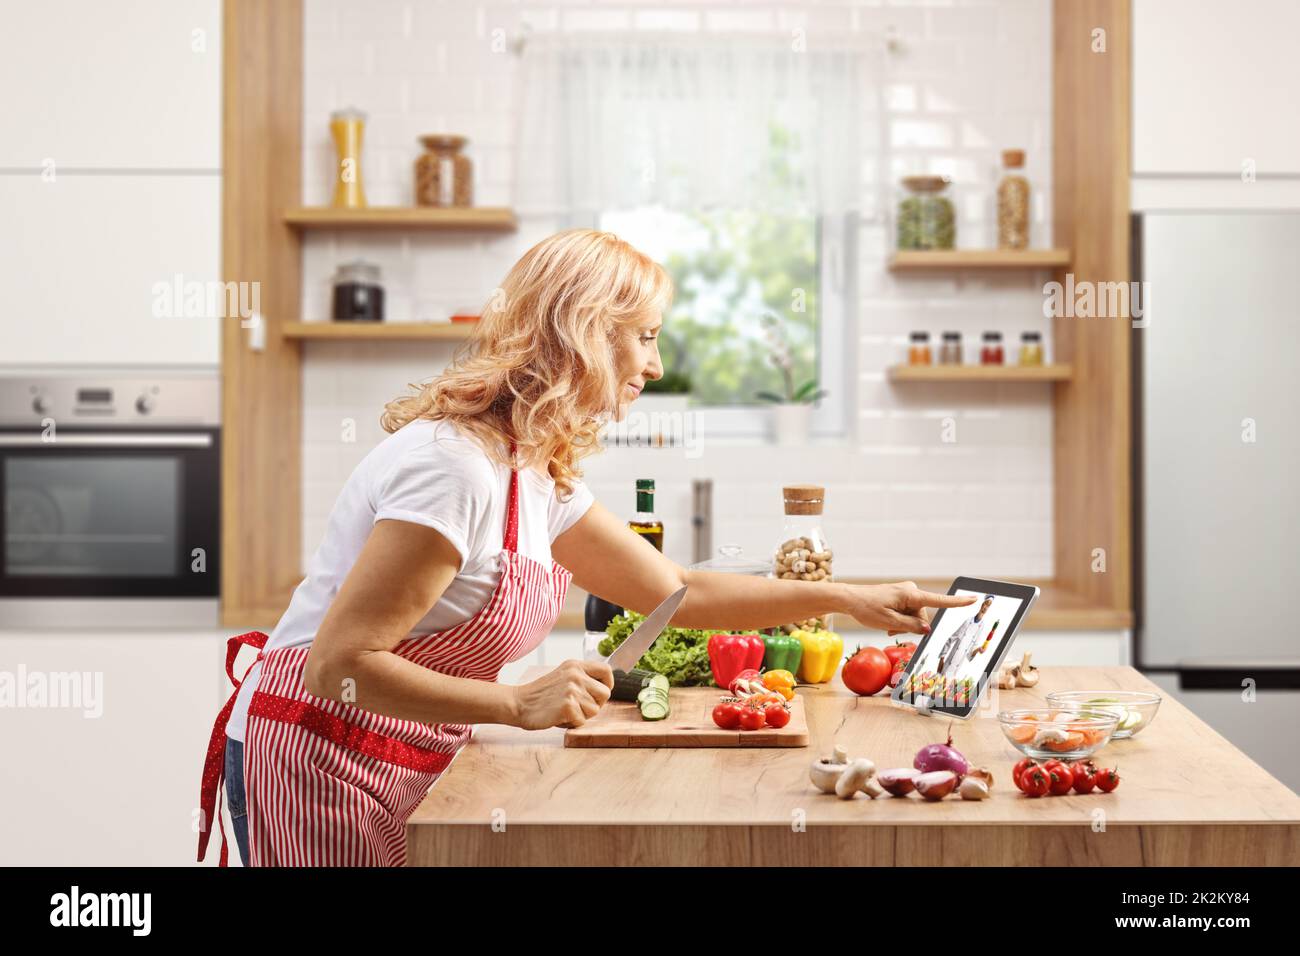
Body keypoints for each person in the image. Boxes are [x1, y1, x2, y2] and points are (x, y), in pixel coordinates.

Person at [197, 229, 974, 867]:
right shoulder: (453, 468)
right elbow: (341, 666)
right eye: (644, 339)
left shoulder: (533, 470)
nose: (657, 365)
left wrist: (852, 598)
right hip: (320, 757)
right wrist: (515, 701)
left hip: (406, 754)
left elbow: (676, 593)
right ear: (584, 333)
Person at [936, 594, 995, 679]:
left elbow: (971, 650)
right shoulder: (968, 621)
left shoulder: (981, 626)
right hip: (951, 661)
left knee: (947, 684)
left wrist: (979, 649)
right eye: (986, 605)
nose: (986, 608)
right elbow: (951, 639)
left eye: (988, 607)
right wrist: (942, 657)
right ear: (982, 605)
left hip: (958, 664)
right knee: (940, 681)